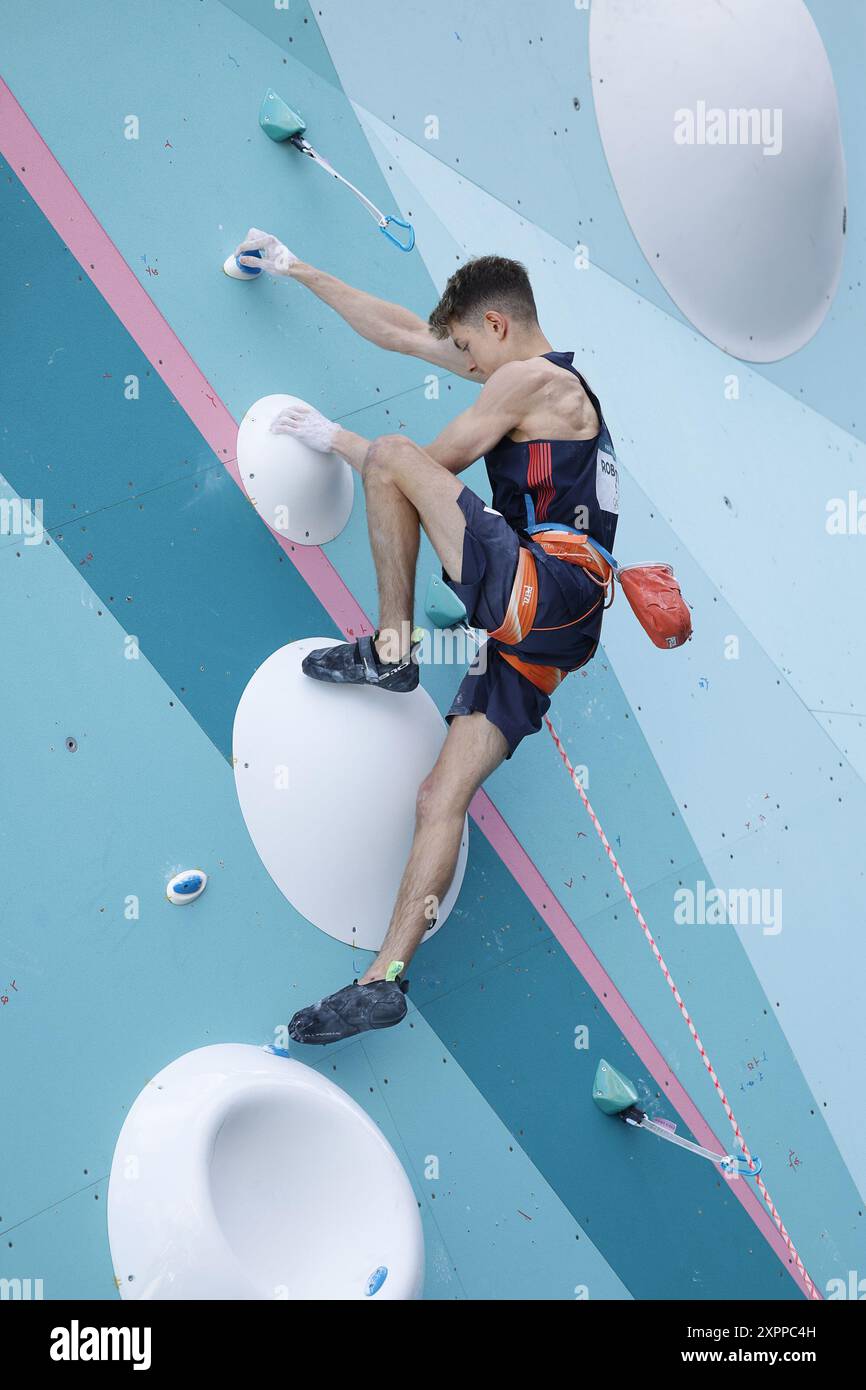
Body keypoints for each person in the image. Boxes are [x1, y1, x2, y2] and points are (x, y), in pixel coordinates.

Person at [233, 230, 619, 1044]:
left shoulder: (528, 381)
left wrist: (338, 441)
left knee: (397, 455)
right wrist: (299, 265)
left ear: (500, 324)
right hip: (553, 629)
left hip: (546, 589)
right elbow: (406, 331)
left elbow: (418, 466)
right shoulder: (532, 382)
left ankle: (392, 651)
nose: (467, 364)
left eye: (471, 347)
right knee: (440, 797)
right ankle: (386, 979)